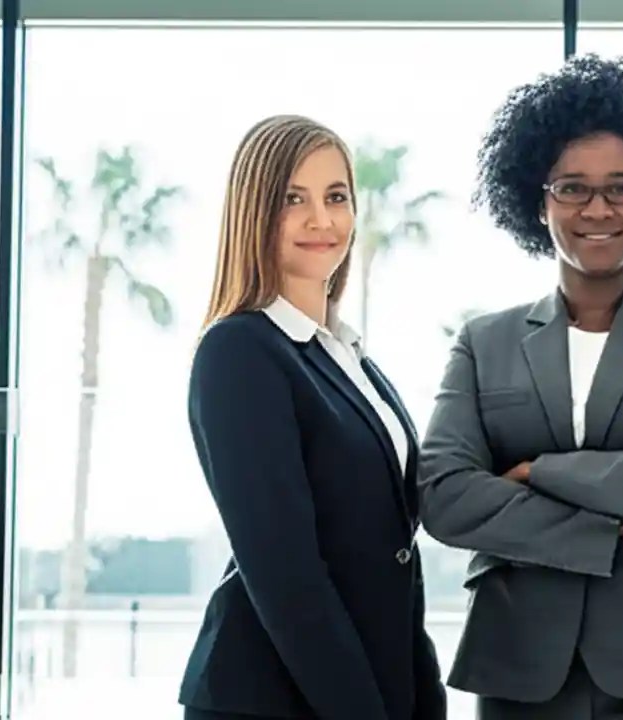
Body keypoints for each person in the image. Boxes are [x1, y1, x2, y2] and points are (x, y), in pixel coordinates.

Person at [418, 54, 623, 719]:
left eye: (621, 187)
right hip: (519, 665)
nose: (597, 208)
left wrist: (534, 470)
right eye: (572, 187)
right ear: (537, 199)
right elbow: (444, 496)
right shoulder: (482, 342)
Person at [179, 114, 445, 720]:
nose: (321, 220)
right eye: (293, 199)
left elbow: (392, 538)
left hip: (371, 676)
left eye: (336, 197)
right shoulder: (240, 351)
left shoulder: (348, 357)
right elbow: (284, 571)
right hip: (273, 697)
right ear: (254, 213)